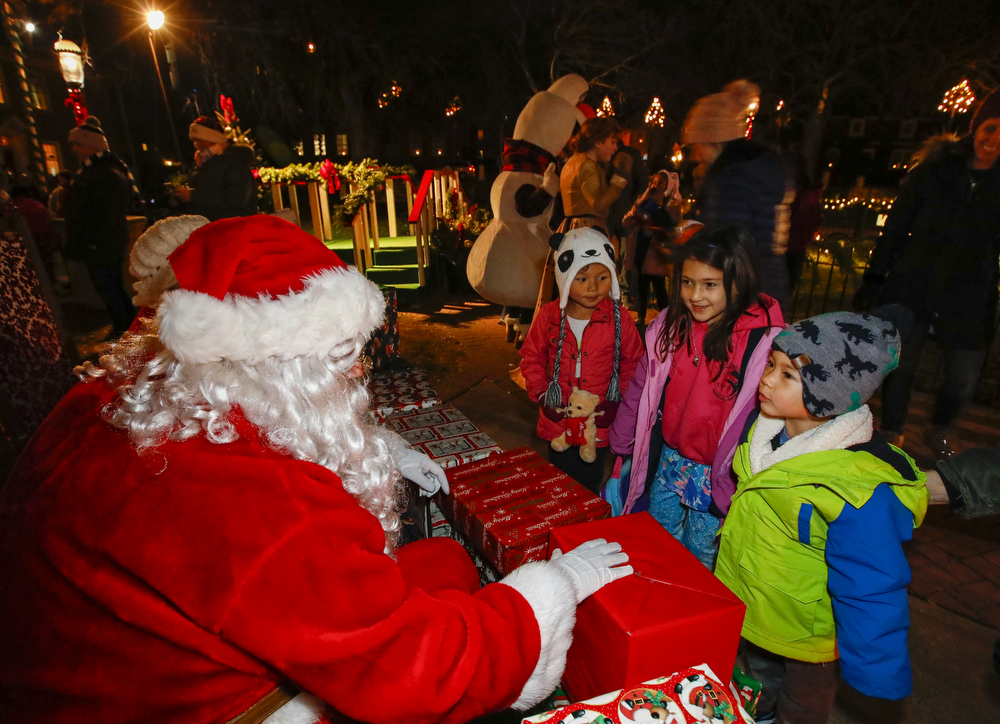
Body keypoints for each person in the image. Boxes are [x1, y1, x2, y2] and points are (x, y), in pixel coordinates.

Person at [0, 215, 634, 724]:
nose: (359, 373)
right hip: (192, 701)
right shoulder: (260, 503)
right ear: (271, 360)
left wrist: (383, 448)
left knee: (442, 564)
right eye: (339, 356)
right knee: (455, 628)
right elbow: (411, 673)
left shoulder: (133, 384)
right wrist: (550, 593)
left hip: (91, 658)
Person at [715, 311, 928, 724]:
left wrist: (874, 666)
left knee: (802, 708)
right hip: (752, 610)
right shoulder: (765, 432)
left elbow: (870, 580)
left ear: (828, 392)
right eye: (771, 365)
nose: (767, 379)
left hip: (808, 636)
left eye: (788, 374)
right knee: (750, 693)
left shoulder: (853, 487)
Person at [609, 225, 785, 568]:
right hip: (671, 460)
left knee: (702, 553)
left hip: (719, 474)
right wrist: (623, 434)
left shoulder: (763, 345)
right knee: (657, 537)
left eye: (710, 284)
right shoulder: (671, 326)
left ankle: (691, 610)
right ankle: (659, 598)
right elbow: (643, 386)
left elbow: (773, 417)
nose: (695, 295)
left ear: (738, 283)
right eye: (687, 282)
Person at [853, 87, 1000, 459]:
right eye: (991, 128)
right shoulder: (935, 171)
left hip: (968, 294)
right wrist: (875, 276)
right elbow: (897, 226)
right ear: (977, 127)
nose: (994, 140)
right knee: (901, 365)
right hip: (914, 283)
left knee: (963, 380)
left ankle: (940, 427)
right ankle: (894, 431)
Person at [519, 227, 645, 493]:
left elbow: (634, 362)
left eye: (602, 277)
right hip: (559, 422)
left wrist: (617, 399)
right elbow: (530, 358)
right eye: (582, 278)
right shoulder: (549, 316)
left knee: (589, 482)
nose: (593, 287)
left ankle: (584, 527)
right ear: (564, 278)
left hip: (598, 421)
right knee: (560, 481)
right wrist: (543, 393)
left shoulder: (619, 318)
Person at [682, 80, 793, 314]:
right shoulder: (755, 173)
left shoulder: (732, 182)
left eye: (699, 145)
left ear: (717, 142)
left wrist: (682, 244)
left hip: (742, 296)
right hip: (766, 289)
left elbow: (726, 244)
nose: (697, 155)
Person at [62, 116, 141, 335]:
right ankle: (125, 325)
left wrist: (94, 241)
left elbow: (108, 212)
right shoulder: (96, 170)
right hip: (100, 241)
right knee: (108, 286)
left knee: (110, 286)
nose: (74, 149)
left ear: (90, 145)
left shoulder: (104, 173)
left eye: (77, 144)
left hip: (103, 242)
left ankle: (126, 326)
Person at [621, 170, 682, 329]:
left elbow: (672, 223)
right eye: (655, 182)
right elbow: (626, 222)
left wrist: (657, 213)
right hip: (641, 247)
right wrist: (639, 207)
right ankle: (641, 317)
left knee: (659, 286)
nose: (657, 186)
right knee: (641, 285)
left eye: (661, 182)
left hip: (656, 251)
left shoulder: (671, 202)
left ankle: (666, 320)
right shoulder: (642, 200)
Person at [173, 115, 257, 221]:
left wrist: (193, 195)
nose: (196, 145)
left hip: (231, 229)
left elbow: (237, 198)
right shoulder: (203, 162)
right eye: (194, 141)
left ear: (211, 140)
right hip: (210, 227)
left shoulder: (234, 161)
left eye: (200, 141)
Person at [559, 117, 628, 239]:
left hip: (577, 228)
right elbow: (598, 205)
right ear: (598, 141)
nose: (615, 148)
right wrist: (618, 183)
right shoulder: (586, 165)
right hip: (587, 230)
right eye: (612, 142)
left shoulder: (576, 161)